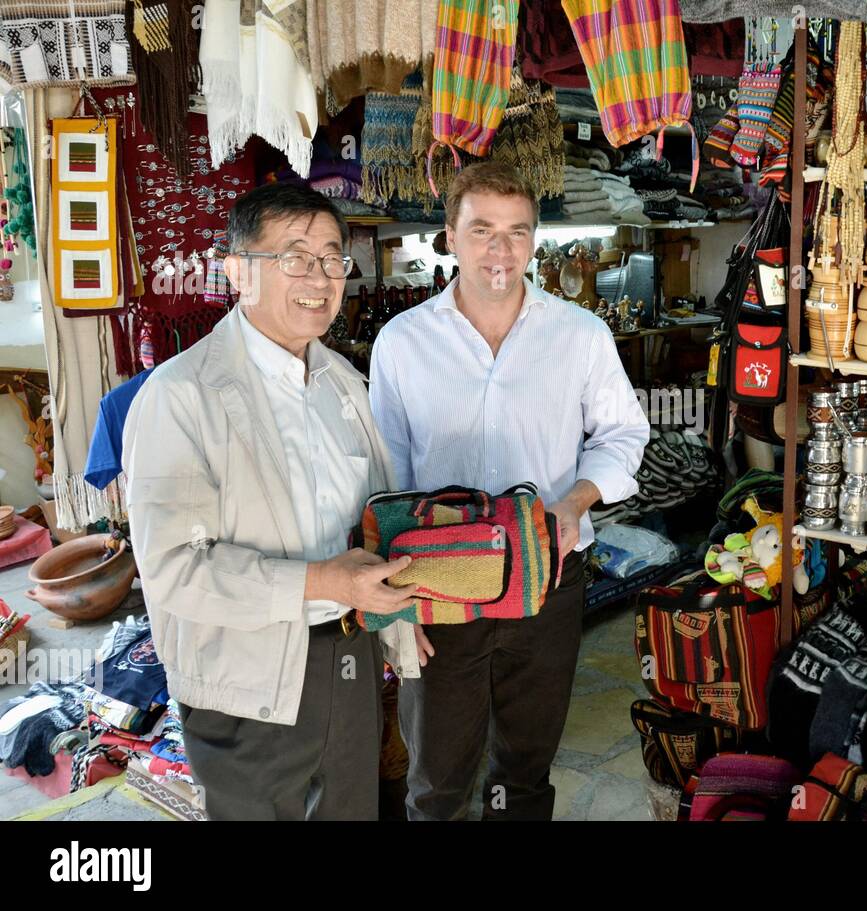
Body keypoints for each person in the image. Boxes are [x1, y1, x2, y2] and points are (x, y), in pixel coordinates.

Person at [122, 183, 429, 820]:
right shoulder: (181, 396)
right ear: (237, 270)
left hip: (351, 651)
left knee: (351, 810)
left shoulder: (343, 382)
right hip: (248, 671)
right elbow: (175, 570)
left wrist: (399, 614)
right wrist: (327, 581)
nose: (319, 276)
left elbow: (376, 521)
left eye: (331, 257)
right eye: (294, 256)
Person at [370, 161, 649, 820]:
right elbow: (383, 479)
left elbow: (622, 436)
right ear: (450, 236)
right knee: (436, 779)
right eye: (483, 230)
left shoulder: (579, 335)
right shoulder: (403, 344)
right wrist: (394, 605)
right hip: (439, 583)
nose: (501, 250)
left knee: (525, 769)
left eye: (517, 232)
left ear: (534, 239)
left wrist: (575, 500)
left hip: (548, 575)